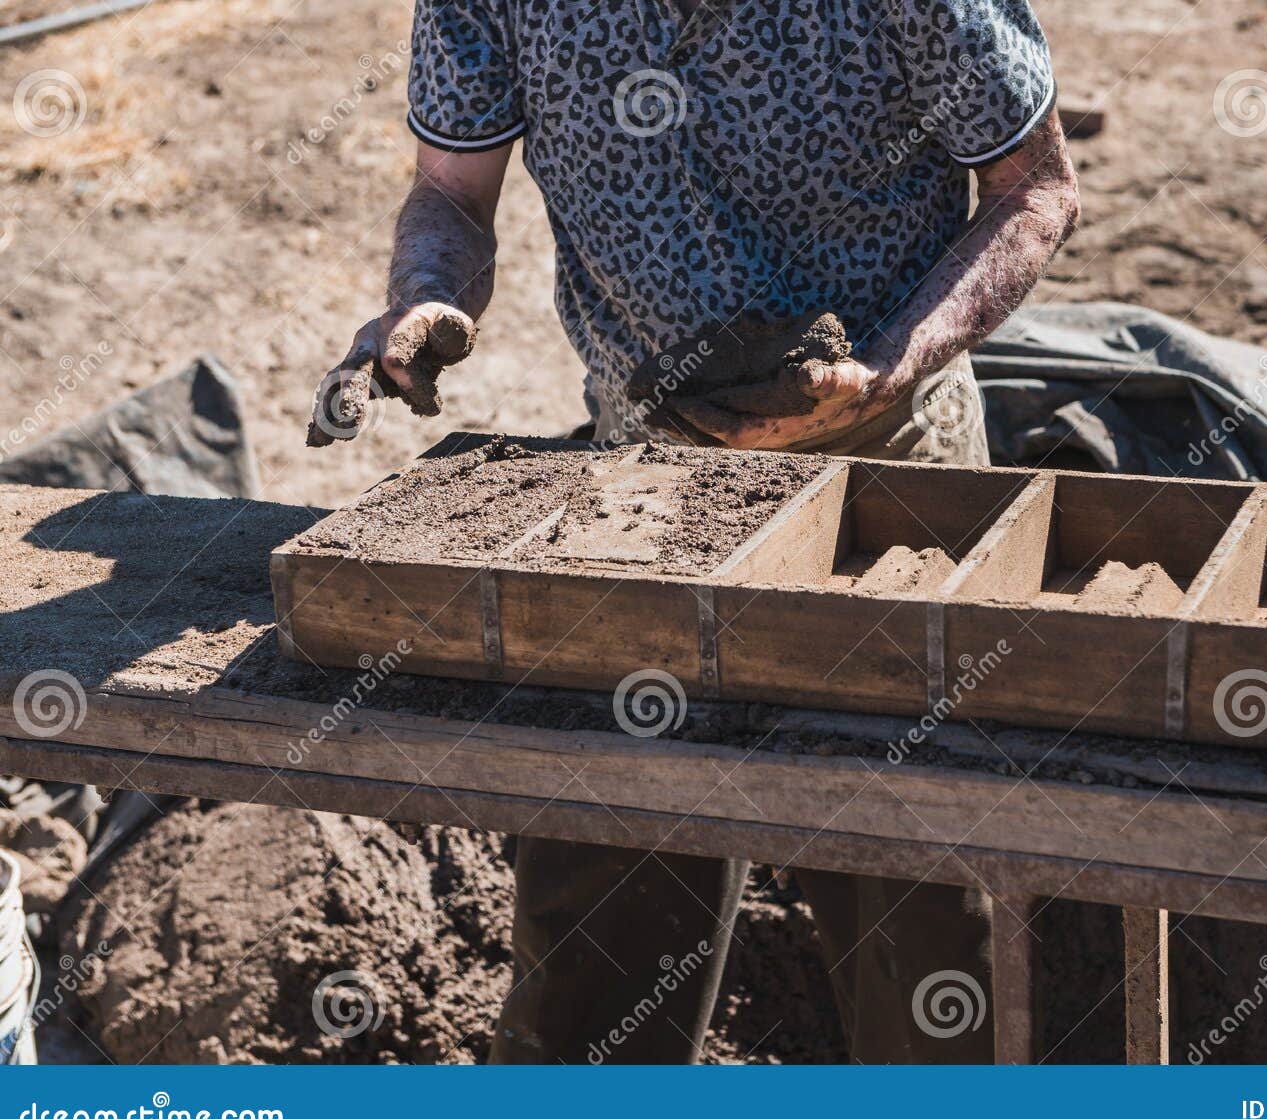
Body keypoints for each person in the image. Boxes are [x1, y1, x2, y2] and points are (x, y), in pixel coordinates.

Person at [321, 0, 1080, 1063]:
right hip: (646, 478)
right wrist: (427, 296)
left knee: (910, 896)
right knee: (604, 884)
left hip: (885, 475)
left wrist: (895, 363)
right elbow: (450, 189)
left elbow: (1032, 190)